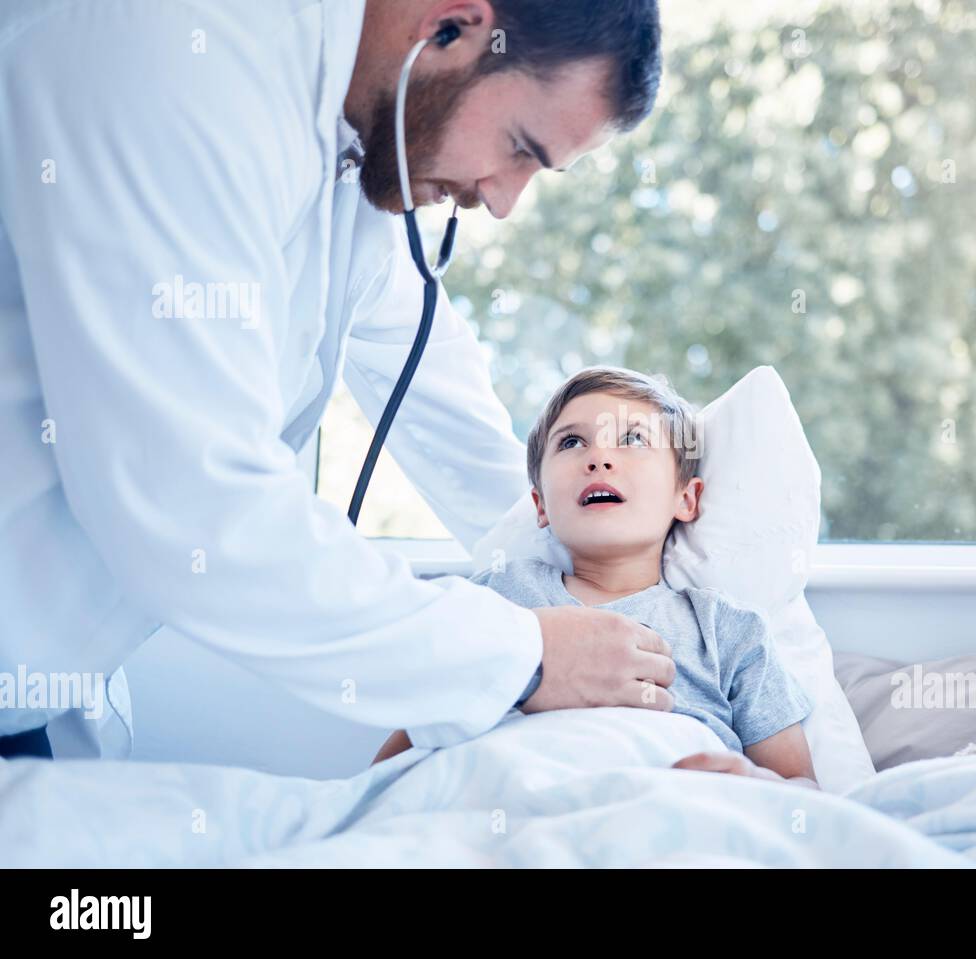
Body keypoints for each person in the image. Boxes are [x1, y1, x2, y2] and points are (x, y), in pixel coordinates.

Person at [0, 0, 671, 760]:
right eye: (520, 148)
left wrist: (592, 560)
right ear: (453, 25)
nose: (503, 200)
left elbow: (444, 401)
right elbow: (195, 501)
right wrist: (526, 653)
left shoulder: (354, 139)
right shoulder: (172, 63)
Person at [372, 367, 820, 789]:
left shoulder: (729, 631)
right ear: (541, 506)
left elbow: (802, 794)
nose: (599, 458)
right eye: (571, 443)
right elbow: (395, 764)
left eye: (631, 439)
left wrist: (751, 786)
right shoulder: (496, 598)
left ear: (686, 498)